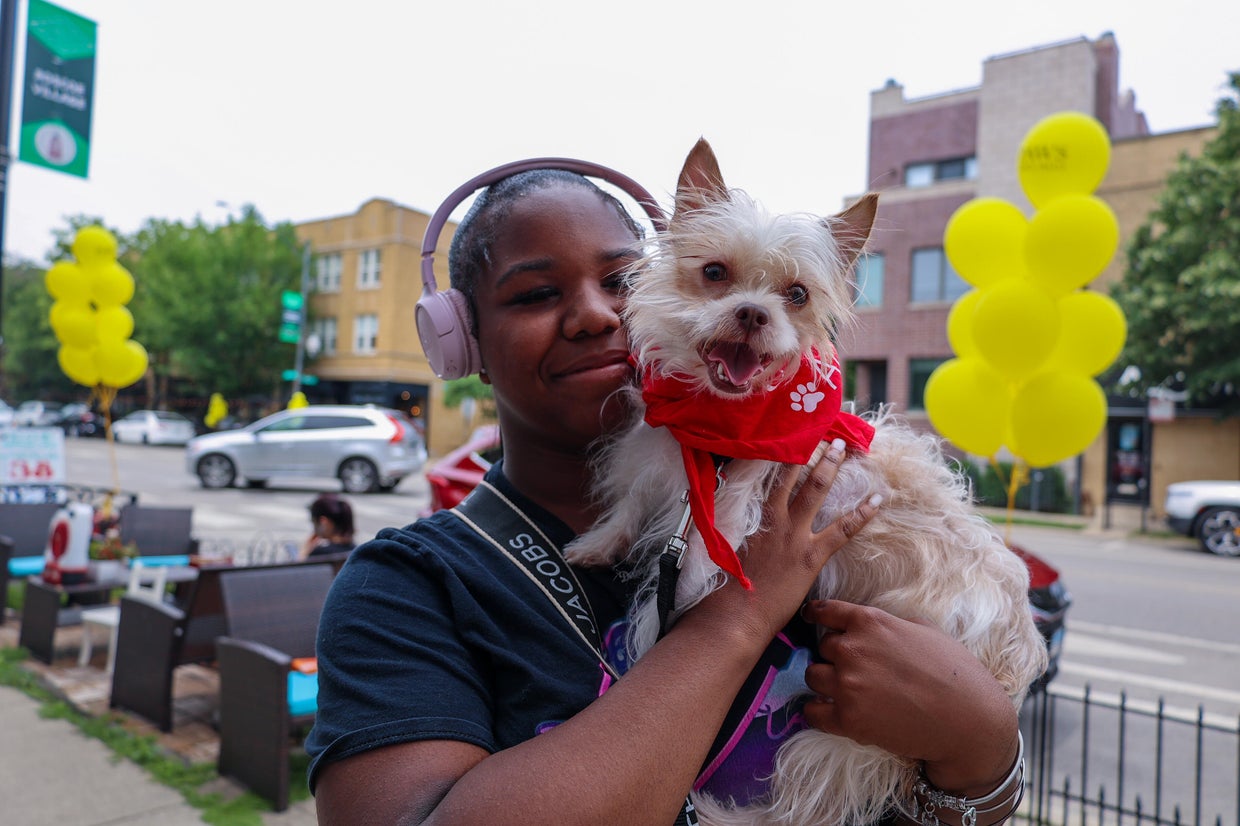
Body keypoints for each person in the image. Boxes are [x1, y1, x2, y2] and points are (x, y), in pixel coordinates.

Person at [306, 166, 1022, 824]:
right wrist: (739, 619)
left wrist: (982, 749)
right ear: (463, 343)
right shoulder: (406, 592)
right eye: (535, 294)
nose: (596, 316)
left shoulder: (826, 507)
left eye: (621, 281)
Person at [299, 494, 355, 559]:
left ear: (324, 522)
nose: (314, 529)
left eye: (313, 522)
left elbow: (300, 568)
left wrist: (304, 552)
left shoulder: (320, 553)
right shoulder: (356, 550)